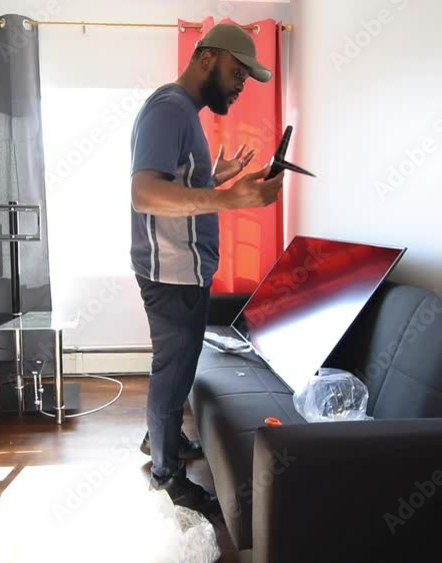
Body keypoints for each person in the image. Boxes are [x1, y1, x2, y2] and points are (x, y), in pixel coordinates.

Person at [129, 22, 285, 510]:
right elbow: (145, 193)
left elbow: (173, 181)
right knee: (172, 374)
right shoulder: (170, 109)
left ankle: (162, 439)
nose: (241, 86)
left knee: (177, 370)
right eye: (237, 73)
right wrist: (226, 196)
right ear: (206, 58)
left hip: (183, 271)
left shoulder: (183, 112)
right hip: (172, 273)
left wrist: (215, 176)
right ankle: (166, 475)